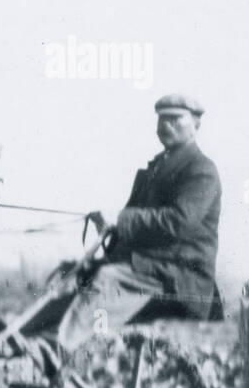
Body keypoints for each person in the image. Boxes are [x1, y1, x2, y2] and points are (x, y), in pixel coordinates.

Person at [36, 94, 223, 351]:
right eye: (161, 118)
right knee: (80, 274)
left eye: (175, 119)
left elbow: (179, 222)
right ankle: (26, 337)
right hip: (150, 269)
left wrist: (119, 219)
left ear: (196, 125)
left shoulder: (202, 171)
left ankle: (57, 349)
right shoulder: (155, 168)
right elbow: (131, 227)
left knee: (108, 278)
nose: (165, 125)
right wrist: (97, 250)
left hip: (181, 278)